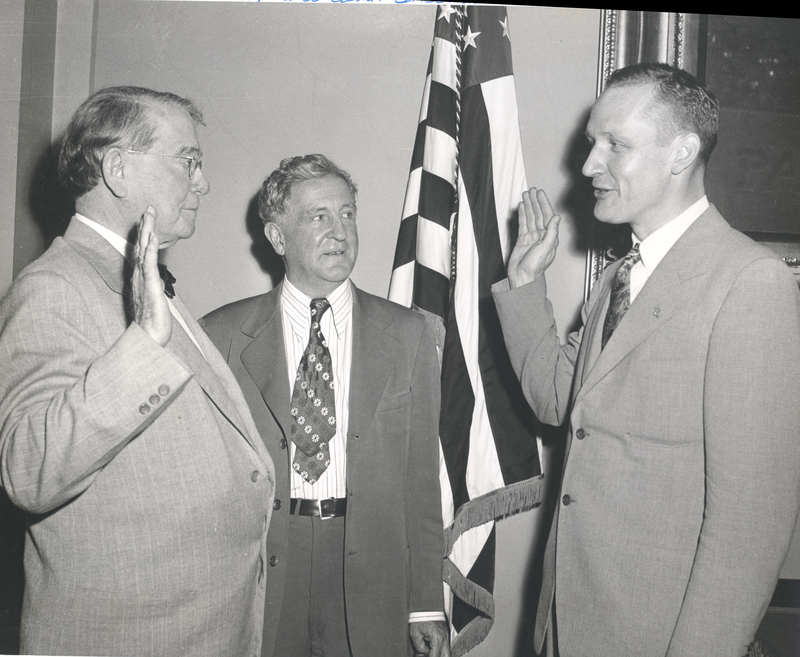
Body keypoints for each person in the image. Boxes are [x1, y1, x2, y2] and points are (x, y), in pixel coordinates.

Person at [492, 63, 800, 656]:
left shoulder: (749, 282)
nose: (589, 165)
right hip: (569, 623)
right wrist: (526, 284)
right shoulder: (620, 276)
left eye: (616, 144)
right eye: (593, 143)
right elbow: (557, 401)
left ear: (681, 153)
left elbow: (751, 524)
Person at [0, 86, 276, 656]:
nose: (203, 182)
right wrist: (146, 347)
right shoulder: (53, 287)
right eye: (188, 161)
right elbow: (28, 470)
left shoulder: (137, 277)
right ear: (118, 169)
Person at [200, 154, 449, 657]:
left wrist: (425, 604)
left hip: (372, 568)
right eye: (319, 217)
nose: (340, 231)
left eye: (347, 213)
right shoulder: (221, 335)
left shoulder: (409, 334)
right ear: (277, 237)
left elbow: (421, 480)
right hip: (266, 563)